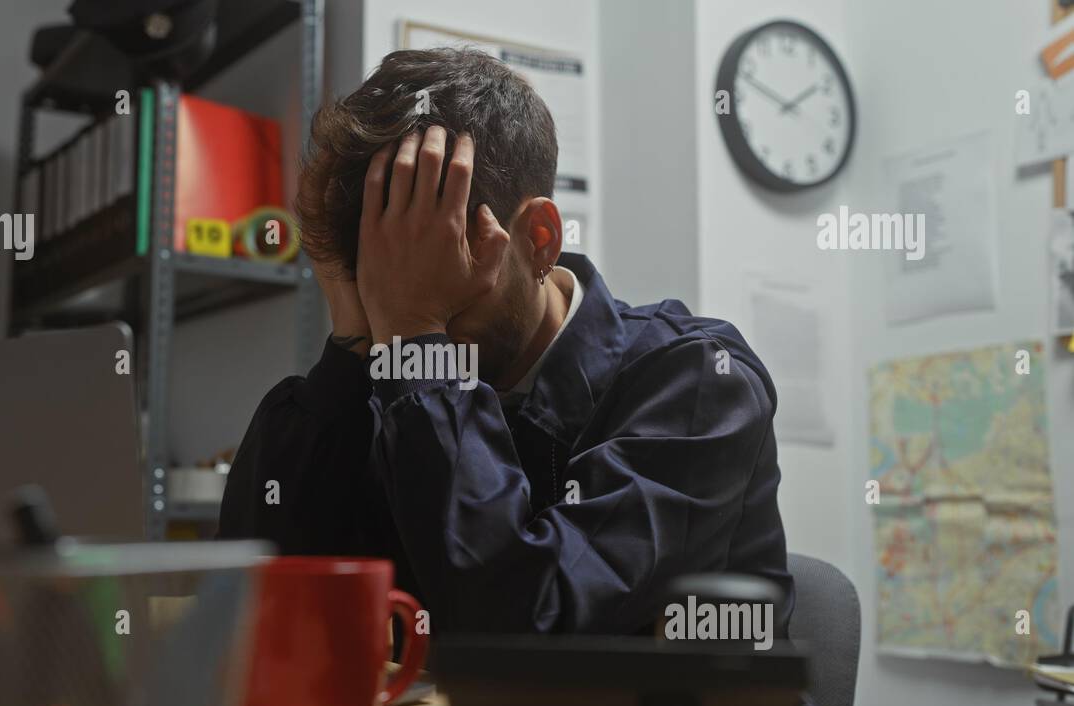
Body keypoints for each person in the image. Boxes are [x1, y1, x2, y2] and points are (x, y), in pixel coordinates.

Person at [220, 47, 793, 635]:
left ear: (540, 239)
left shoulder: (699, 383)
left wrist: (420, 330)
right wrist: (353, 344)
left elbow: (528, 622)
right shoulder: (389, 354)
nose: (408, 315)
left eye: (449, 284)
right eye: (384, 285)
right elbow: (253, 599)